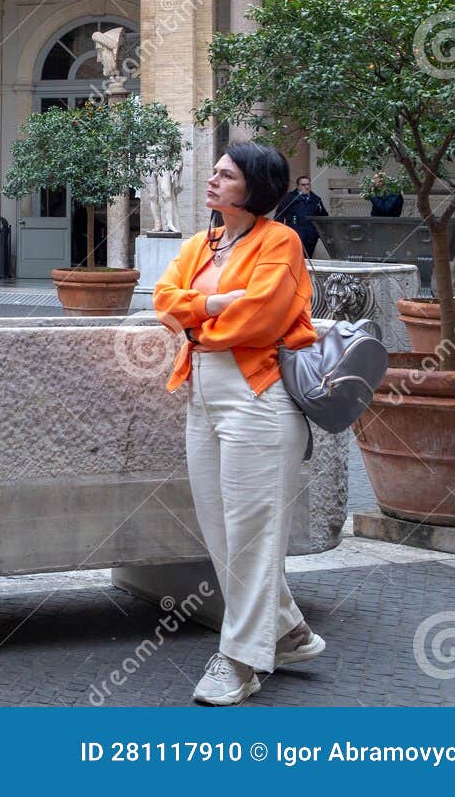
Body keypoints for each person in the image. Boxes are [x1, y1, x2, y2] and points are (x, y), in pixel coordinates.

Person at [153, 142, 324, 707]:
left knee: (251, 535)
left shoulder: (282, 241)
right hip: (204, 395)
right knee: (223, 534)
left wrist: (198, 318)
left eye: (226, 175)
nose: (213, 179)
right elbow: (162, 298)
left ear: (255, 187)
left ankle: (241, 661)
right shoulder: (202, 243)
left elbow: (261, 317)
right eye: (216, 172)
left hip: (260, 398)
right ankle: (288, 628)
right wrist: (215, 305)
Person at [273, 175, 328, 257]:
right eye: (303, 185)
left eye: (308, 184)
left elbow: (323, 216)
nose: (306, 187)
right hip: (294, 235)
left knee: (307, 261)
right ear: (298, 186)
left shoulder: (316, 199)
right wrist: (283, 233)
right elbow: (279, 216)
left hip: (311, 237)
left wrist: (317, 233)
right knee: (294, 258)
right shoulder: (289, 198)